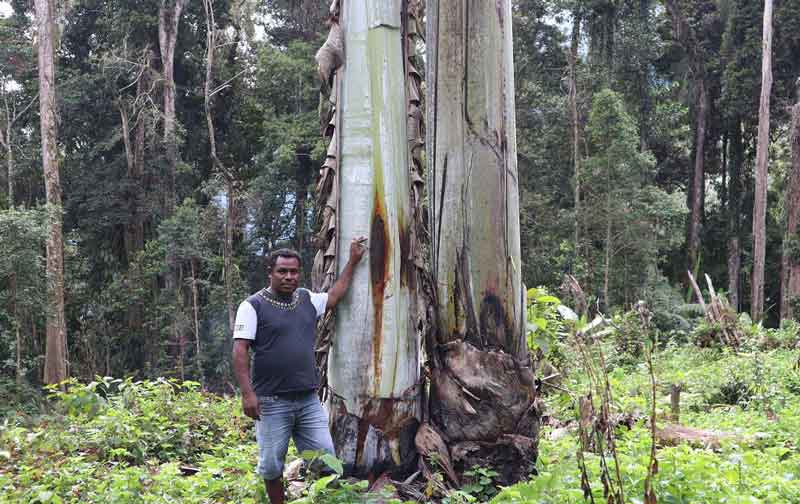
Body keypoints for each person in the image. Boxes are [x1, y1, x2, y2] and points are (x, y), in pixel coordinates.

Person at [232, 237, 366, 504]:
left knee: (326, 459)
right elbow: (240, 351)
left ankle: (323, 499)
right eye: (282, 271)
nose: (289, 276)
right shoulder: (252, 306)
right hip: (271, 401)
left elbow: (335, 295)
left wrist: (353, 260)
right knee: (271, 465)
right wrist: (248, 395)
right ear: (270, 272)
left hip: (307, 400)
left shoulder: (306, 299)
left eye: (293, 271)